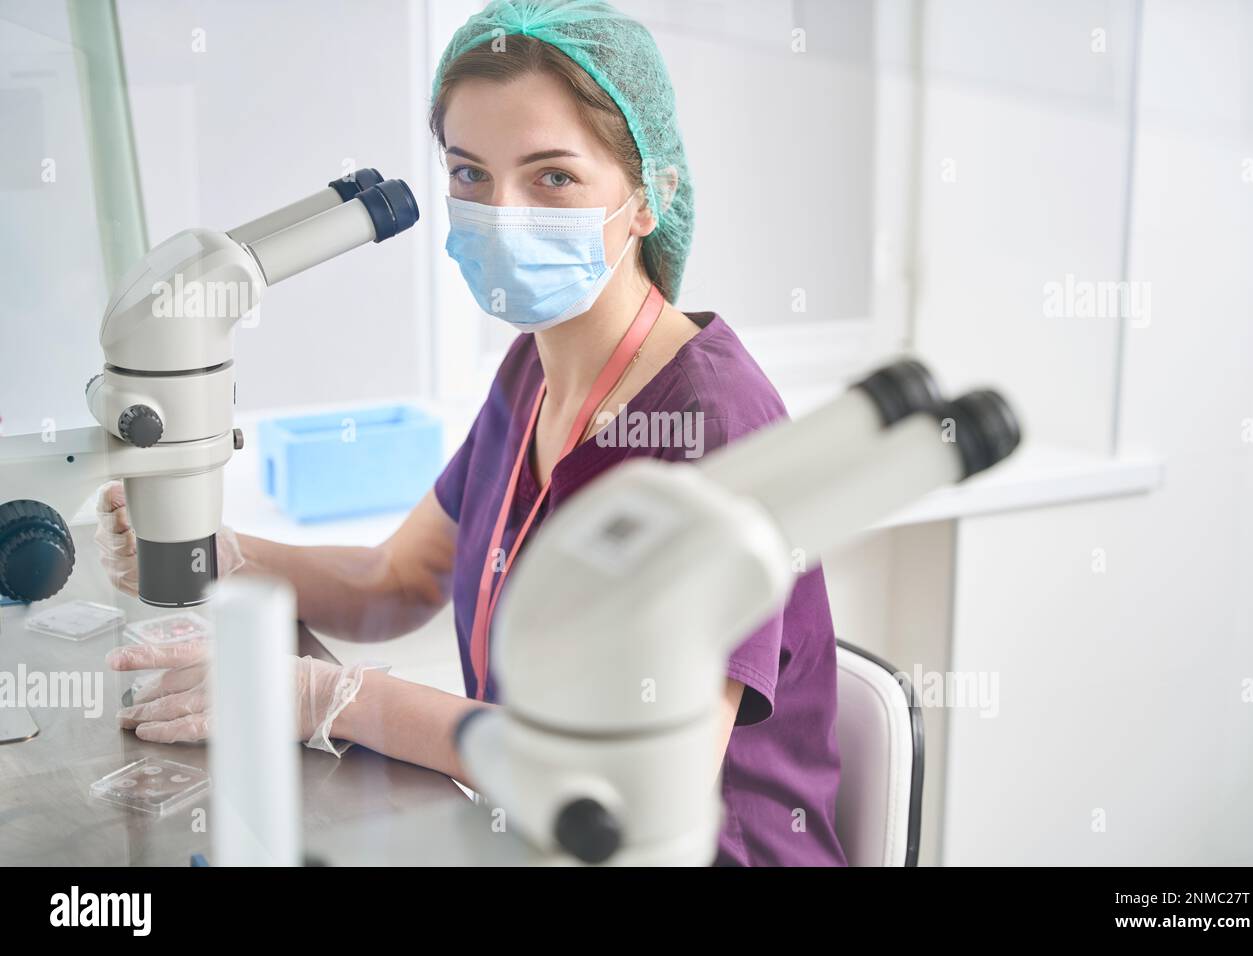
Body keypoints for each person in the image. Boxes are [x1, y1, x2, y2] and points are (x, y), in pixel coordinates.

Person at [100, 0, 847, 867]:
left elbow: (632, 777)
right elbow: (402, 577)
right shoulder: (532, 370)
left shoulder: (714, 426)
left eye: (553, 177)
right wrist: (218, 553)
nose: (503, 211)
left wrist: (327, 698)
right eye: (470, 174)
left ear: (651, 197)